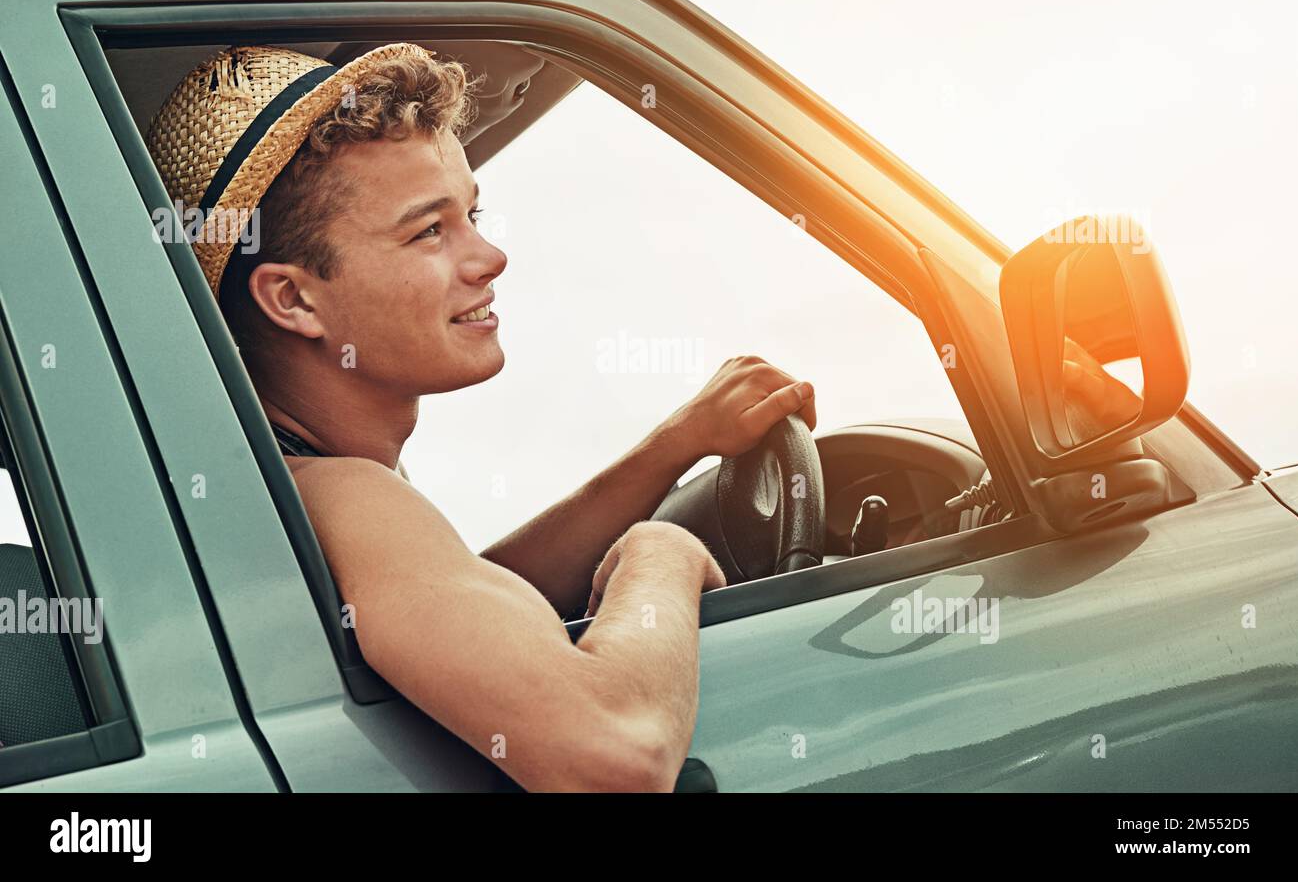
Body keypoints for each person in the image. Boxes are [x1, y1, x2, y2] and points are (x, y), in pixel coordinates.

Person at [146, 42, 817, 791]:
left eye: (472, 212)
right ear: (294, 299)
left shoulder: (298, 481)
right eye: (429, 231)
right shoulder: (340, 495)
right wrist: (663, 551)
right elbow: (618, 757)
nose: (489, 255)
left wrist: (675, 445)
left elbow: (465, 591)